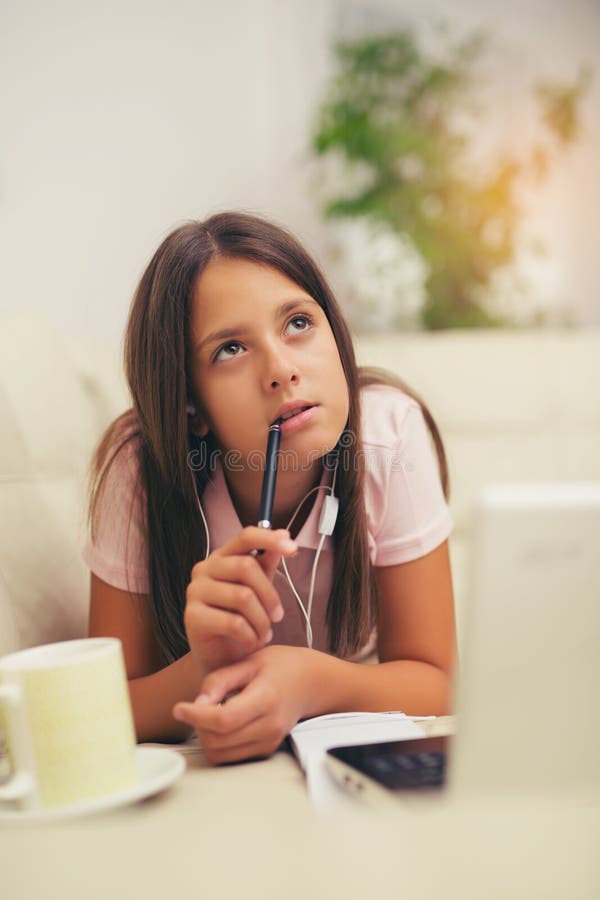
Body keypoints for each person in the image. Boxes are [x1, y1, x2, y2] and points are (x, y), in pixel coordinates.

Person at [85, 211, 456, 764]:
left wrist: (307, 682)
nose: (281, 369)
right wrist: (202, 668)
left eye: (298, 323)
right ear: (192, 407)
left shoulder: (387, 435)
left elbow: (439, 683)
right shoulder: (139, 469)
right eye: (230, 349)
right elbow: (96, 709)